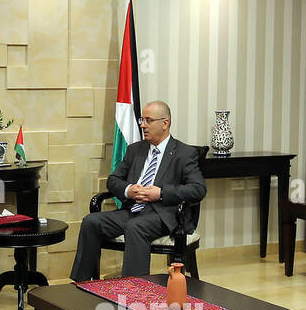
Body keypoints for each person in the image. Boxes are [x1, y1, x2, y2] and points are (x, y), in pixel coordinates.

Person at [69, 100, 207, 281]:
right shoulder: (136, 150)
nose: (143, 125)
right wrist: (128, 190)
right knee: (91, 222)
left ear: (165, 123)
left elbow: (198, 189)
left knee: (136, 227)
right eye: (142, 120)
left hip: (163, 214)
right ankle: (84, 283)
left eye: (148, 120)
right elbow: (113, 180)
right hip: (132, 210)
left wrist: (161, 193)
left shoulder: (184, 153)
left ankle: (135, 289)